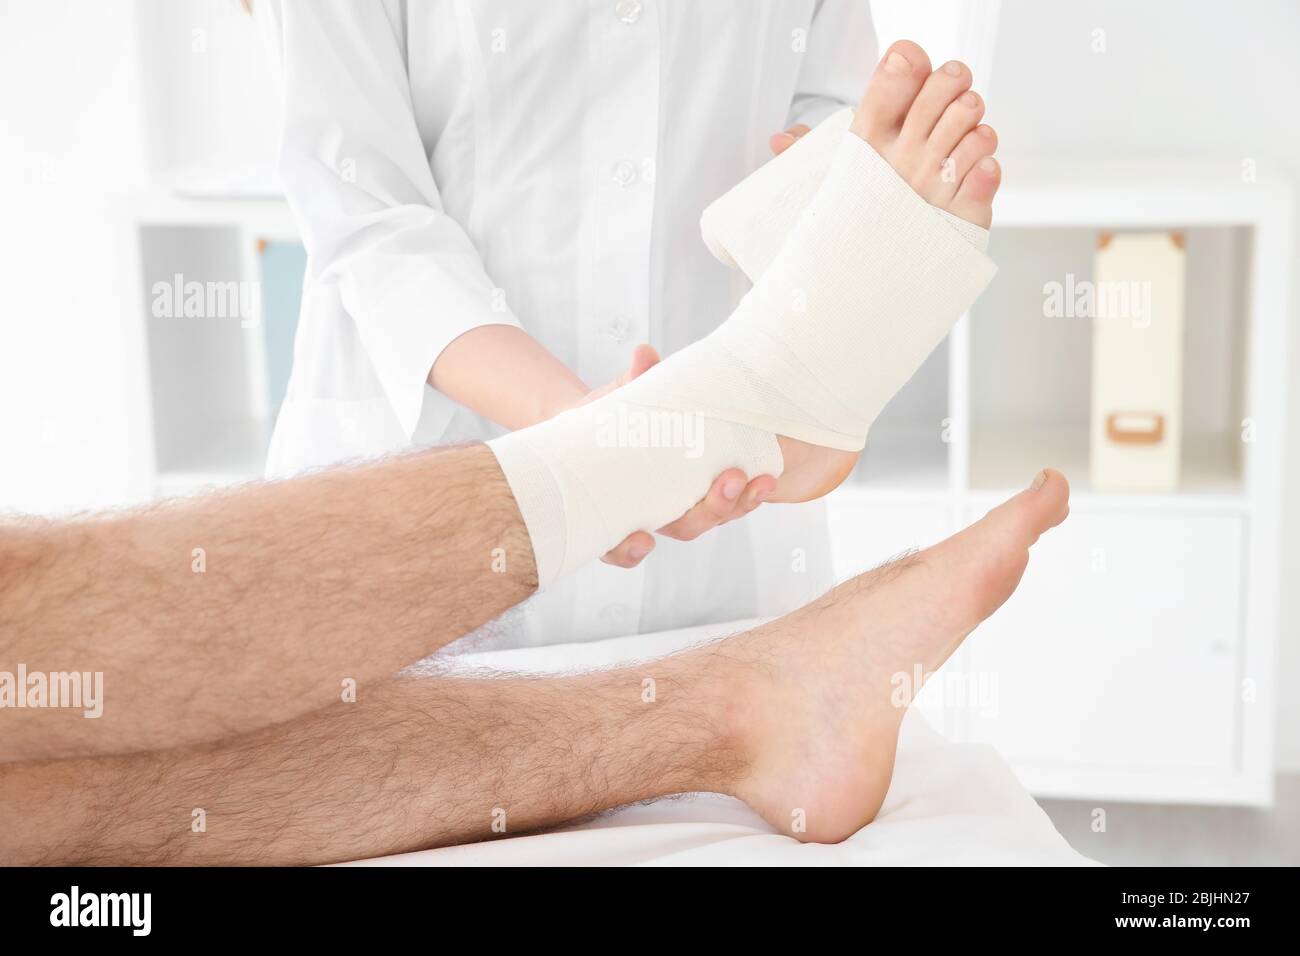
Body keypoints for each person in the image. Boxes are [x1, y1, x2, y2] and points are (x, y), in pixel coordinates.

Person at [1, 42, 1046, 866]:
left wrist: (823, 167)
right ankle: (735, 571)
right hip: (436, 409)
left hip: (688, 405)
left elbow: (826, 88)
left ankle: (733, 449)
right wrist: (606, 426)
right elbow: (369, 209)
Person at [256, 0, 883, 648]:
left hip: (728, 506)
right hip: (435, 489)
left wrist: (821, 179)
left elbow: (833, 105)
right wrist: (586, 439)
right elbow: (368, 212)